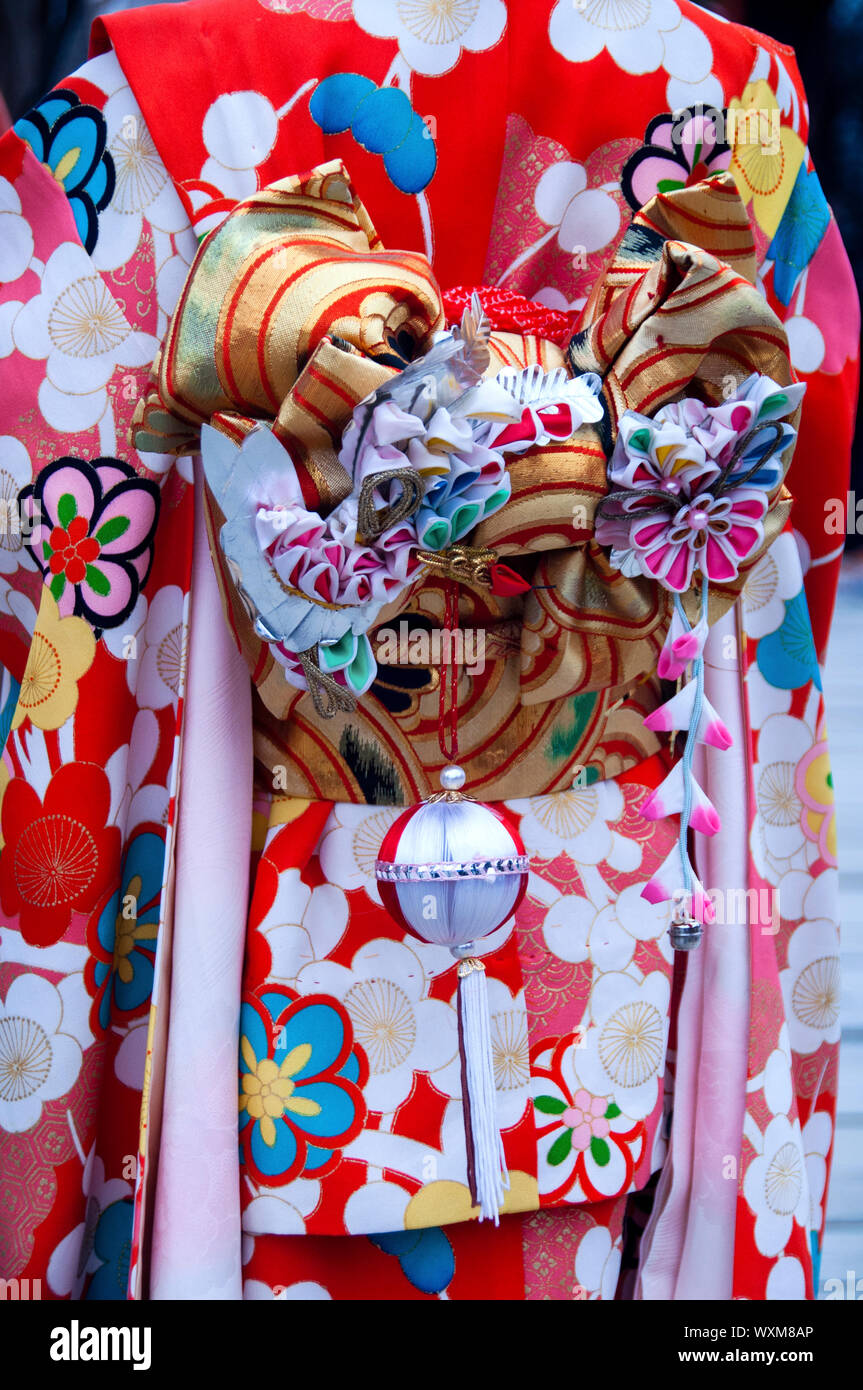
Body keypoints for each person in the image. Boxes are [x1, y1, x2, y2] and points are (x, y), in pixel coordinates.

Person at [0, 0, 857, 1301]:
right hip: (612, 889)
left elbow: (43, 454)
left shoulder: (155, 92)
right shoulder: (728, 85)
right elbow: (809, 443)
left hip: (266, 917)